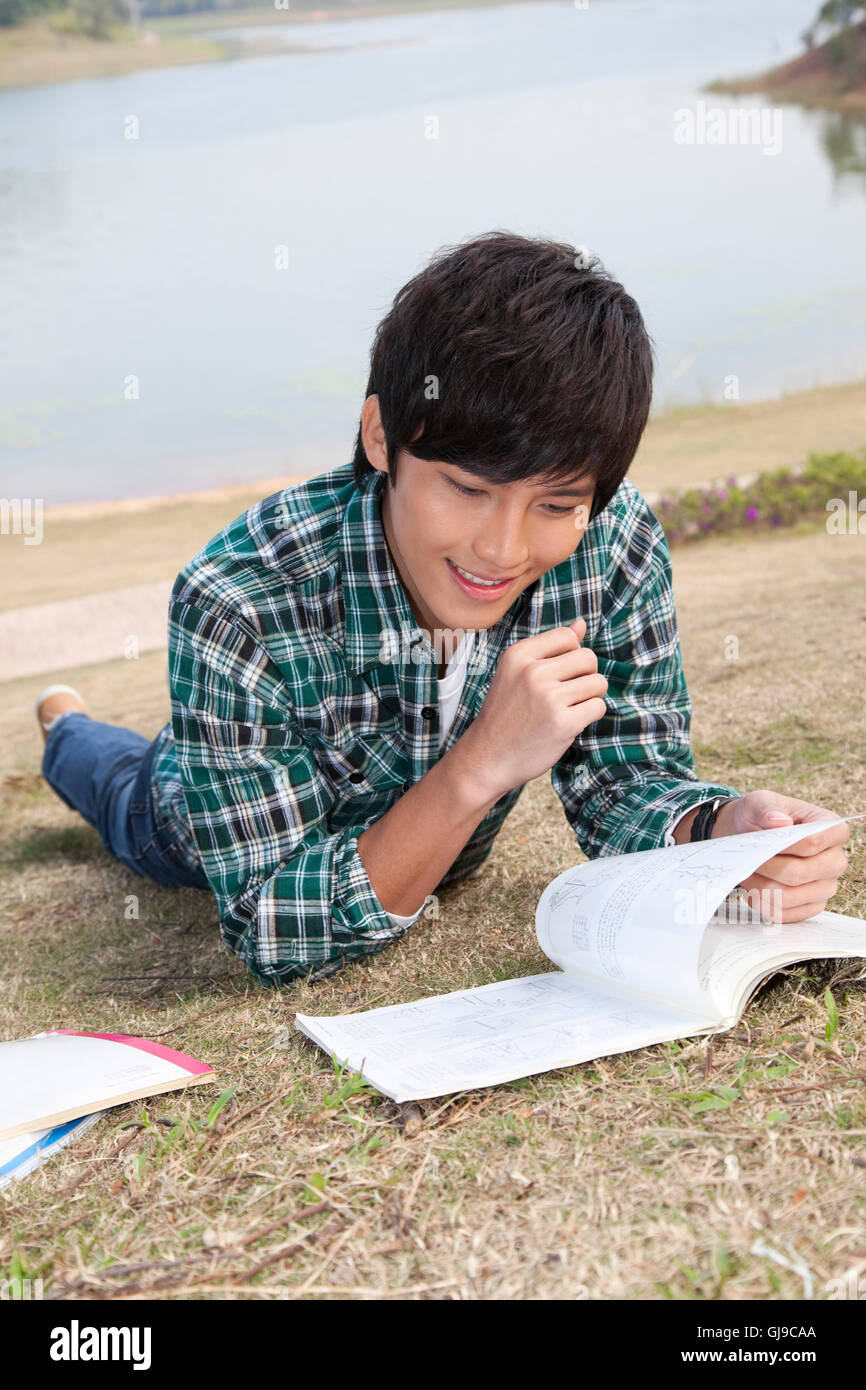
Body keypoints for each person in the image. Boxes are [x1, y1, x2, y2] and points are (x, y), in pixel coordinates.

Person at [38, 231, 850, 987]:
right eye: (467, 489)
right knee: (117, 789)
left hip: (409, 842)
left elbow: (624, 783)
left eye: (555, 503)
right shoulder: (236, 599)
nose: (502, 551)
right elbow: (271, 926)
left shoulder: (613, 537)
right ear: (379, 436)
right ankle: (65, 724)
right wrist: (481, 764)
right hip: (190, 810)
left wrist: (719, 834)